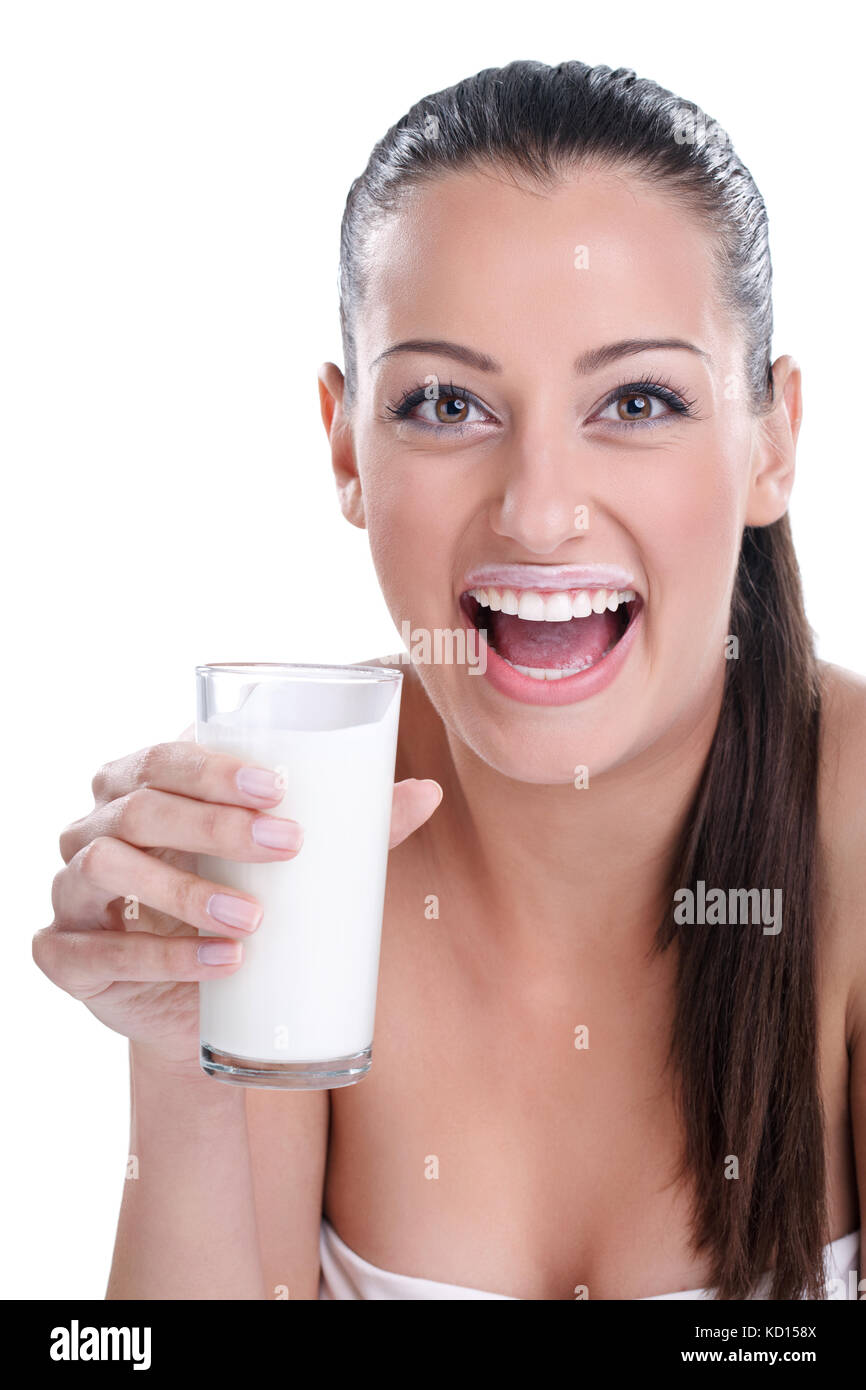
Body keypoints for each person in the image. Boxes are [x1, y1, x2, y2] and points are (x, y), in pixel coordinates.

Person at [34, 59, 865, 1301]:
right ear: (343, 444)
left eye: (636, 399)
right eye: (443, 402)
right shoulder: (290, 819)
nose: (537, 512)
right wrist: (178, 1054)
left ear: (772, 440)